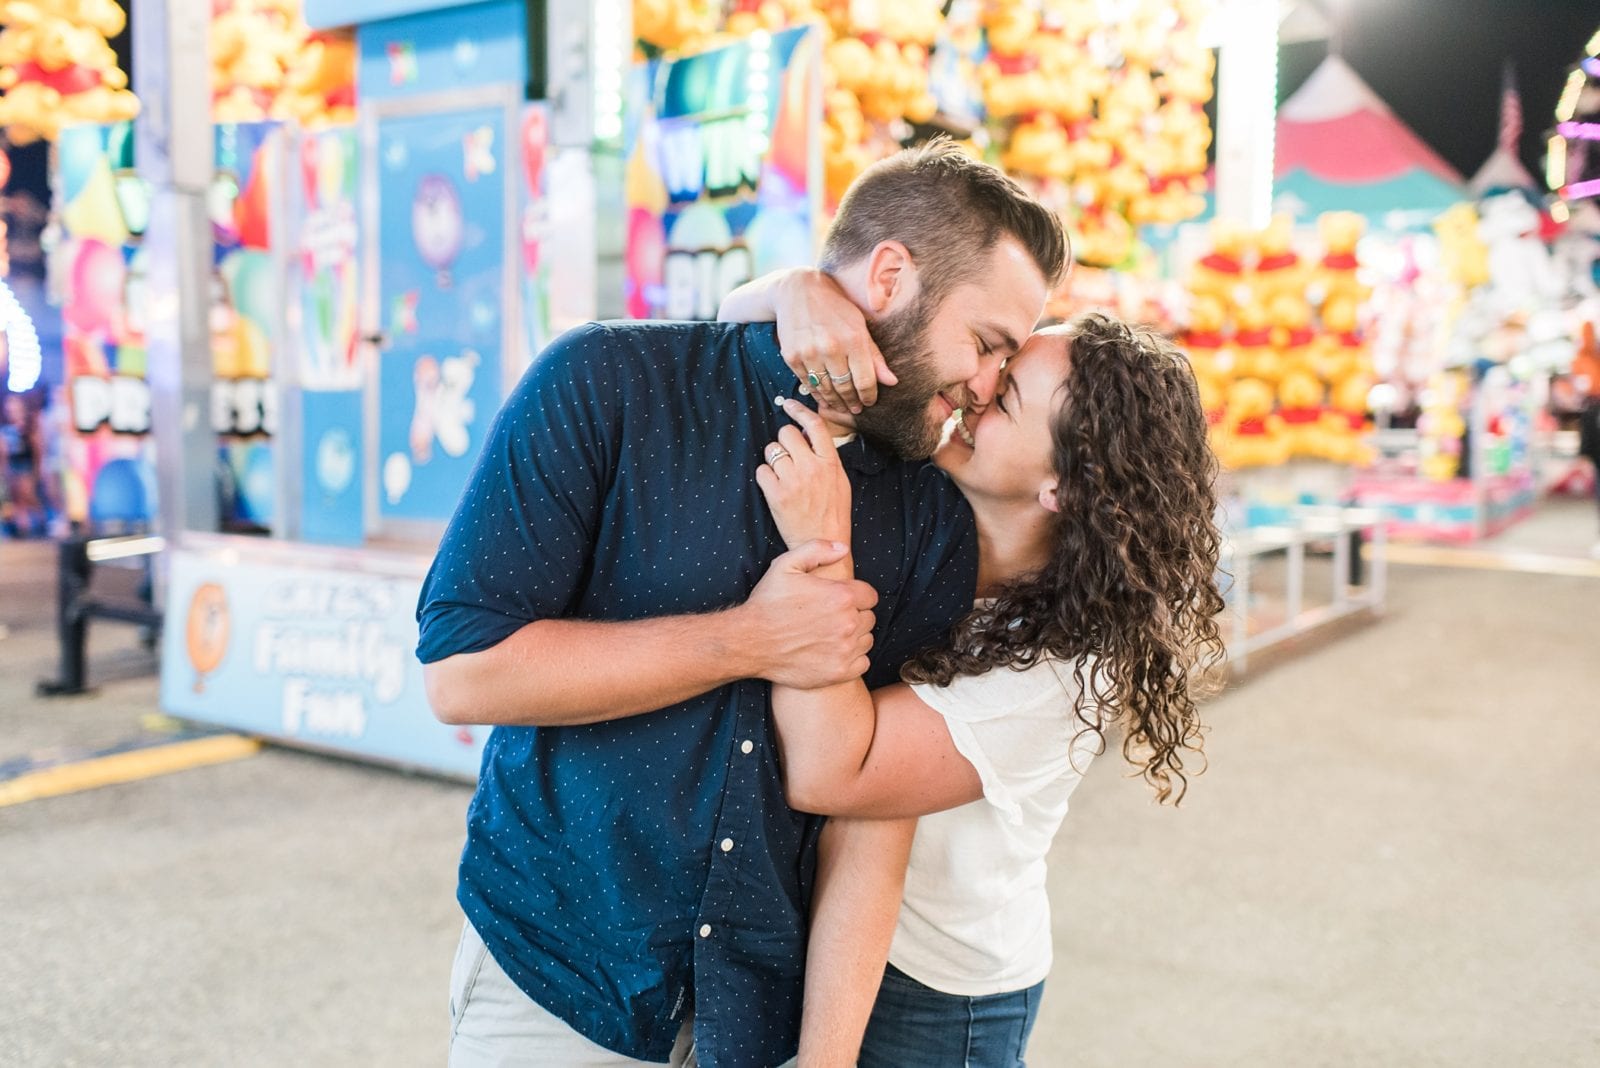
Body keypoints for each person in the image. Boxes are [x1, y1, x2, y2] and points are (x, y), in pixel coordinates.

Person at [417, 139, 1067, 1068]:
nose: (989, 385)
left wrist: (826, 1058)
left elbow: (871, 819)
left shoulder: (929, 513)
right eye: (989, 344)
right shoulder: (607, 382)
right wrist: (749, 641)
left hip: (757, 1018)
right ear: (889, 274)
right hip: (555, 981)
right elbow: (463, 673)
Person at [736, 299, 1224, 1065]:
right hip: (832, 942)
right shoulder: (934, 522)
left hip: (939, 999)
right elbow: (731, 318)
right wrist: (803, 293)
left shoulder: (1059, 668)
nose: (975, 385)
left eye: (1005, 396)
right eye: (993, 360)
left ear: (1064, 484)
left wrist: (820, 543)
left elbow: (837, 772)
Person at [0, 391, 45, 538]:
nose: (11, 407)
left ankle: (41, 522)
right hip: (12, 466)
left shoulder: (29, 425)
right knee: (16, 499)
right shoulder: (5, 427)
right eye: (9, 404)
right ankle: (22, 527)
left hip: (26, 465)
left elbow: (37, 449)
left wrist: (37, 470)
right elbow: (4, 451)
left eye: (14, 403)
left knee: (28, 496)